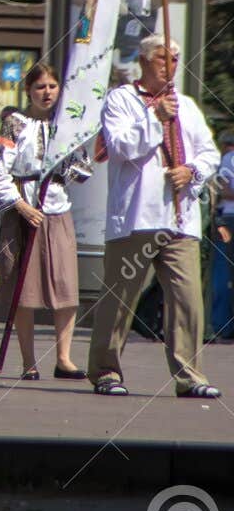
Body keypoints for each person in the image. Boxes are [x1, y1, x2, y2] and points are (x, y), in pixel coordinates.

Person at [87, 35, 221, 399]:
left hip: (179, 220)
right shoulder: (121, 100)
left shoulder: (188, 106)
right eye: (163, 58)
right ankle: (105, 370)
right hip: (136, 217)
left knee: (187, 299)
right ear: (146, 61)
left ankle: (190, 375)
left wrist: (191, 170)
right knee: (120, 298)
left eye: (176, 59)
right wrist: (154, 117)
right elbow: (119, 147)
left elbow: (210, 153)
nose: (171, 65)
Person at [0, 64, 86, 381]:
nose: (47, 92)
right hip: (24, 211)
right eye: (41, 86)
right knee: (25, 290)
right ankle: (29, 360)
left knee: (66, 286)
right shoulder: (15, 124)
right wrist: (20, 205)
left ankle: (64, 358)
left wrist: (81, 153)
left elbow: (81, 173)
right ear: (29, 90)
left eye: (53, 86)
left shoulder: (67, 125)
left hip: (57, 210)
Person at [210, 128, 234, 342]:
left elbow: (223, 191)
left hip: (228, 218)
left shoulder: (228, 159)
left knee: (222, 271)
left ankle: (221, 324)